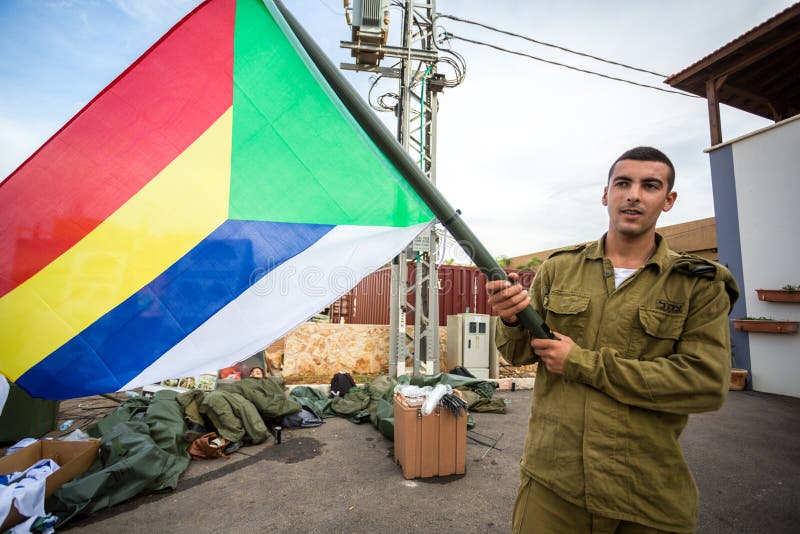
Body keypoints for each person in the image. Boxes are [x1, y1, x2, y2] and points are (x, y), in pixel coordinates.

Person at [487, 147, 739, 533]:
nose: (633, 195)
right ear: (606, 194)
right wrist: (510, 317)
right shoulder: (559, 269)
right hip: (554, 484)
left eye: (650, 186)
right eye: (623, 183)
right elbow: (519, 352)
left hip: (645, 493)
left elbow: (705, 383)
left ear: (668, 200)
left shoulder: (697, 284)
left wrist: (580, 362)